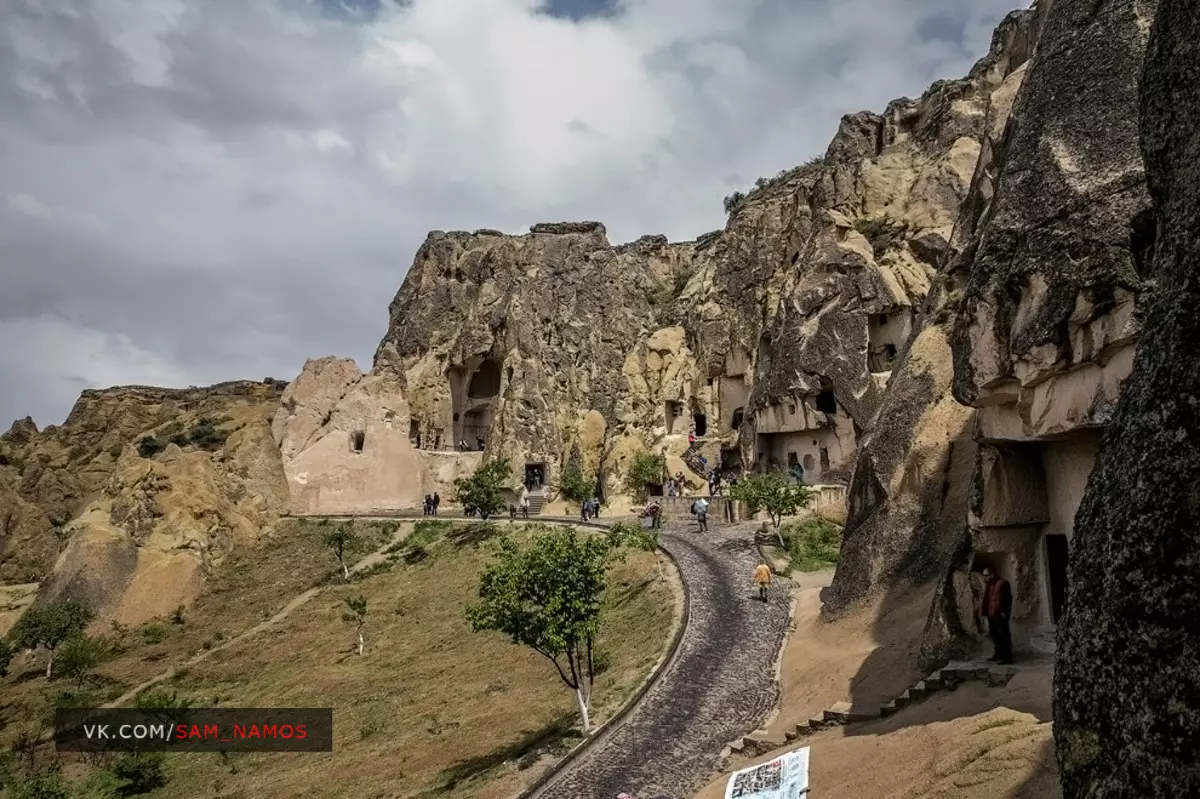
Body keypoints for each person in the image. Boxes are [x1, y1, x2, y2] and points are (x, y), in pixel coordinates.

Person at [982, 566, 1014, 664]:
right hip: (992, 614)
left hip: (1000, 614)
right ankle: (998, 654)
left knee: (1003, 635)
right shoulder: (989, 585)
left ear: (992, 574)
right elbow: (987, 600)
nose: (985, 578)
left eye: (987, 575)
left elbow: (1007, 599)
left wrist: (1004, 612)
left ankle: (1007, 658)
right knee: (996, 636)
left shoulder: (1003, 583)